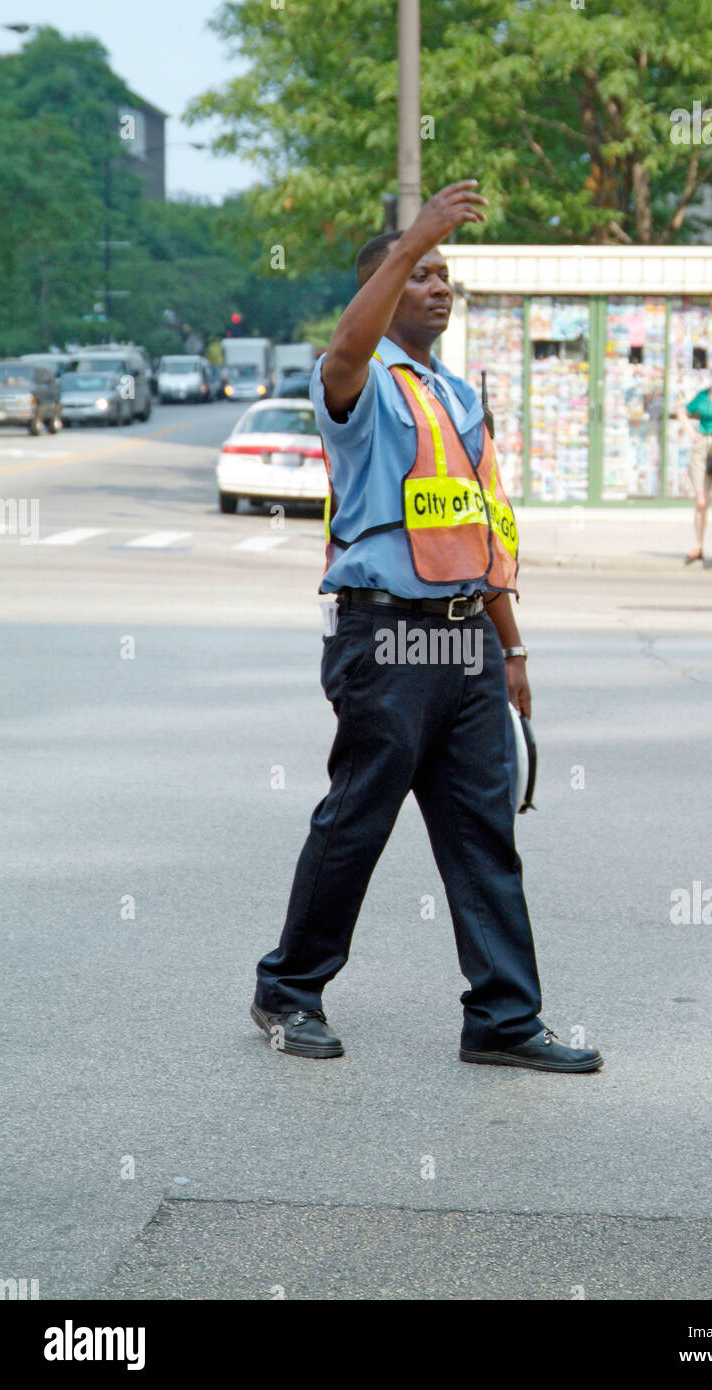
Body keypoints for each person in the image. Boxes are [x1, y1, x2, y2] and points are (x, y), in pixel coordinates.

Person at [251, 180, 602, 1075]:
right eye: (421, 275)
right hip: (387, 638)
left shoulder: (455, 395)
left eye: (447, 275)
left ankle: (503, 1019)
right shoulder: (361, 385)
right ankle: (289, 992)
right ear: (385, 284)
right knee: (359, 819)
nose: (440, 286)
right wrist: (410, 239)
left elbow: (482, 529)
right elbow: (343, 345)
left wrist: (511, 644)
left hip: (469, 642)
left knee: (484, 832)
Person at [675, 354, 712, 566]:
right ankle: (698, 545)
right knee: (701, 500)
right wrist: (692, 433)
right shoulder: (704, 395)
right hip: (703, 446)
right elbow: (682, 412)